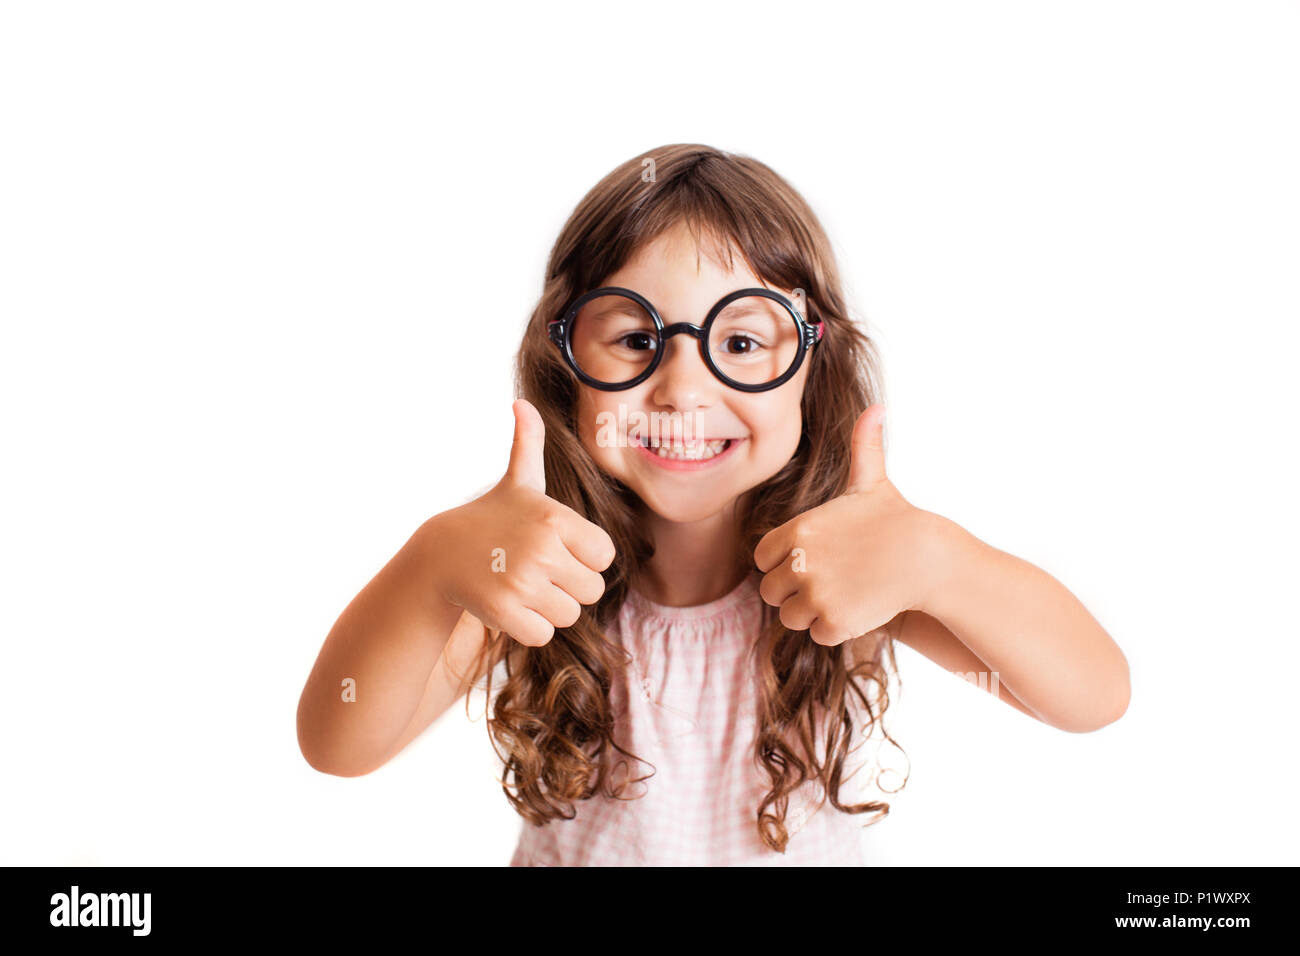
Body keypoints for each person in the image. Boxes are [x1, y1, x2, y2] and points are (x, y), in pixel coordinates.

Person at [296, 143, 1130, 866]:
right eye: (634, 339)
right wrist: (432, 565)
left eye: (740, 341)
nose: (684, 390)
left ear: (813, 362)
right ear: (564, 356)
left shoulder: (846, 567)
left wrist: (940, 561)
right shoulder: (530, 572)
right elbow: (339, 745)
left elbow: (1094, 696)